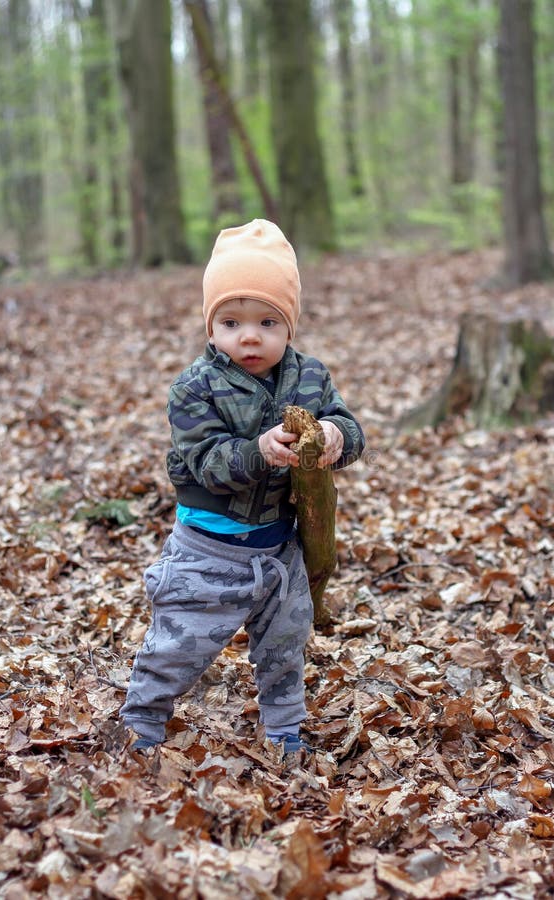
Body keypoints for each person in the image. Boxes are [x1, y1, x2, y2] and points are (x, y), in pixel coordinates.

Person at [120, 219, 365, 753]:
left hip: (280, 549)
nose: (248, 336)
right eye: (231, 321)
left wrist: (332, 434)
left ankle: (285, 730)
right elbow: (203, 459)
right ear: (211, 328)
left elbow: (352, 430)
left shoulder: (311, 378)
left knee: (285, 645)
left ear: (289, 327)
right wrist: (258, 451)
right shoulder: (194, 387)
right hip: (208, 551)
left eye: (267, 321)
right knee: (178, 646)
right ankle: (141, 722)